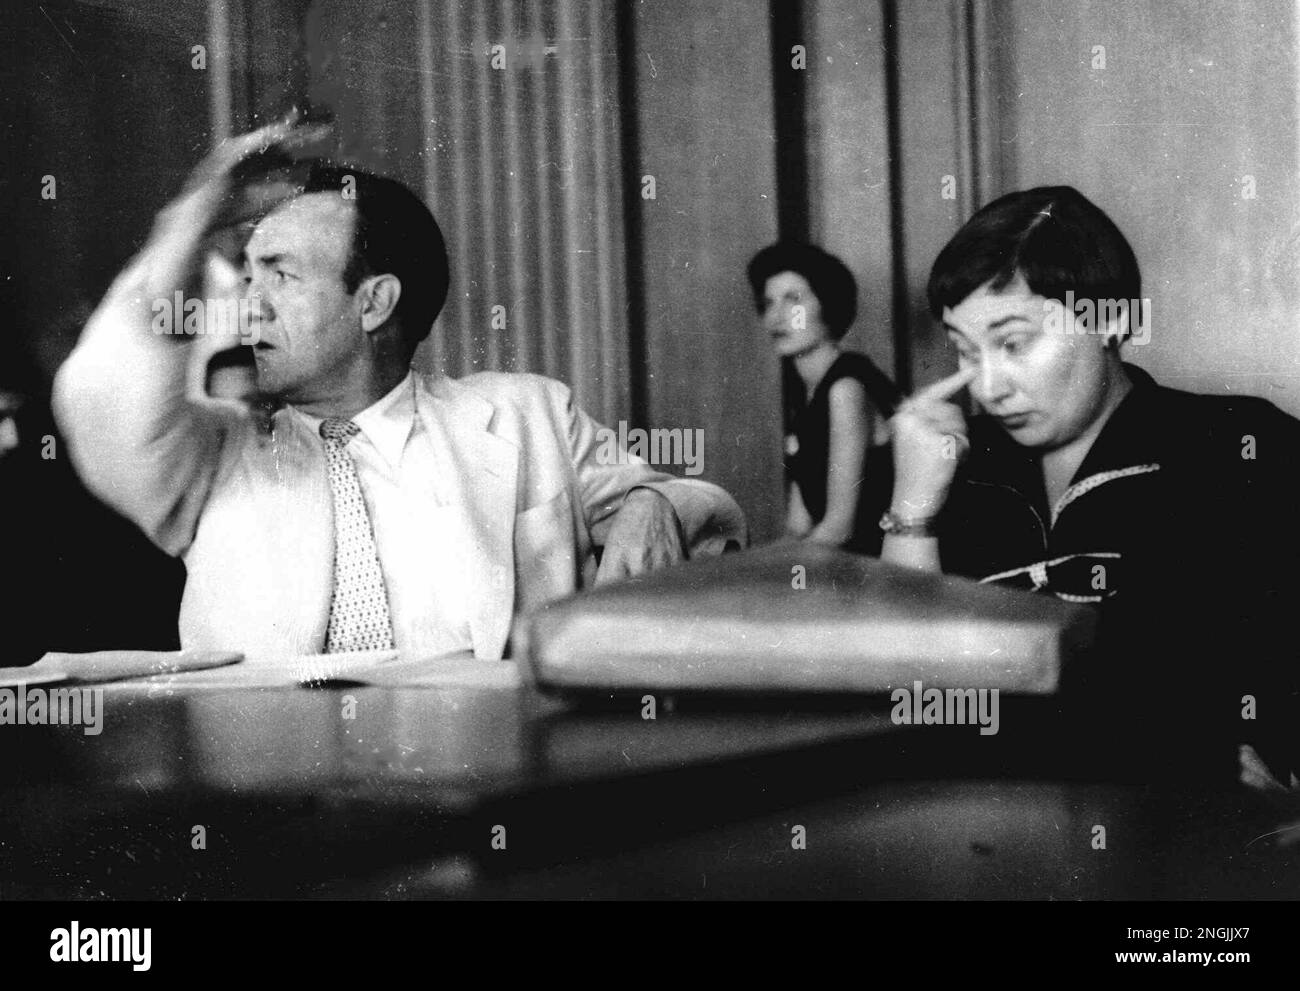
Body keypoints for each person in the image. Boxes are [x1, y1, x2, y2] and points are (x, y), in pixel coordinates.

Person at [53, 118, 745, 662]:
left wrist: (650, 502)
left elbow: (707, 514)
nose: (246, 304)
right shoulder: (208, 452)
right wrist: (194, 216)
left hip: (490, 780)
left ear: (374, 302)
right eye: (248, 273)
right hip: (276, 800)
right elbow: (103, 399)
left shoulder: (527, 414)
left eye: (281, 276)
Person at [881, 185, 1299, 784]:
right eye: (965, 352)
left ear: (1113, 320)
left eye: (1013, 343)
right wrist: (913, 513)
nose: (988, 387)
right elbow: (901, 699)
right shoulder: (950, 466)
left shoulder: (1239, 449)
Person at [748, 242, 899, 554]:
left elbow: (839, 528)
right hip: (836, 566)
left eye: (794, 300)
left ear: (827, 304)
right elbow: (799, 526)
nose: (776, 316)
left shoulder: (846, 388)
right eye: (767, 302)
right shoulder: (807, 398)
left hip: (880, 569)